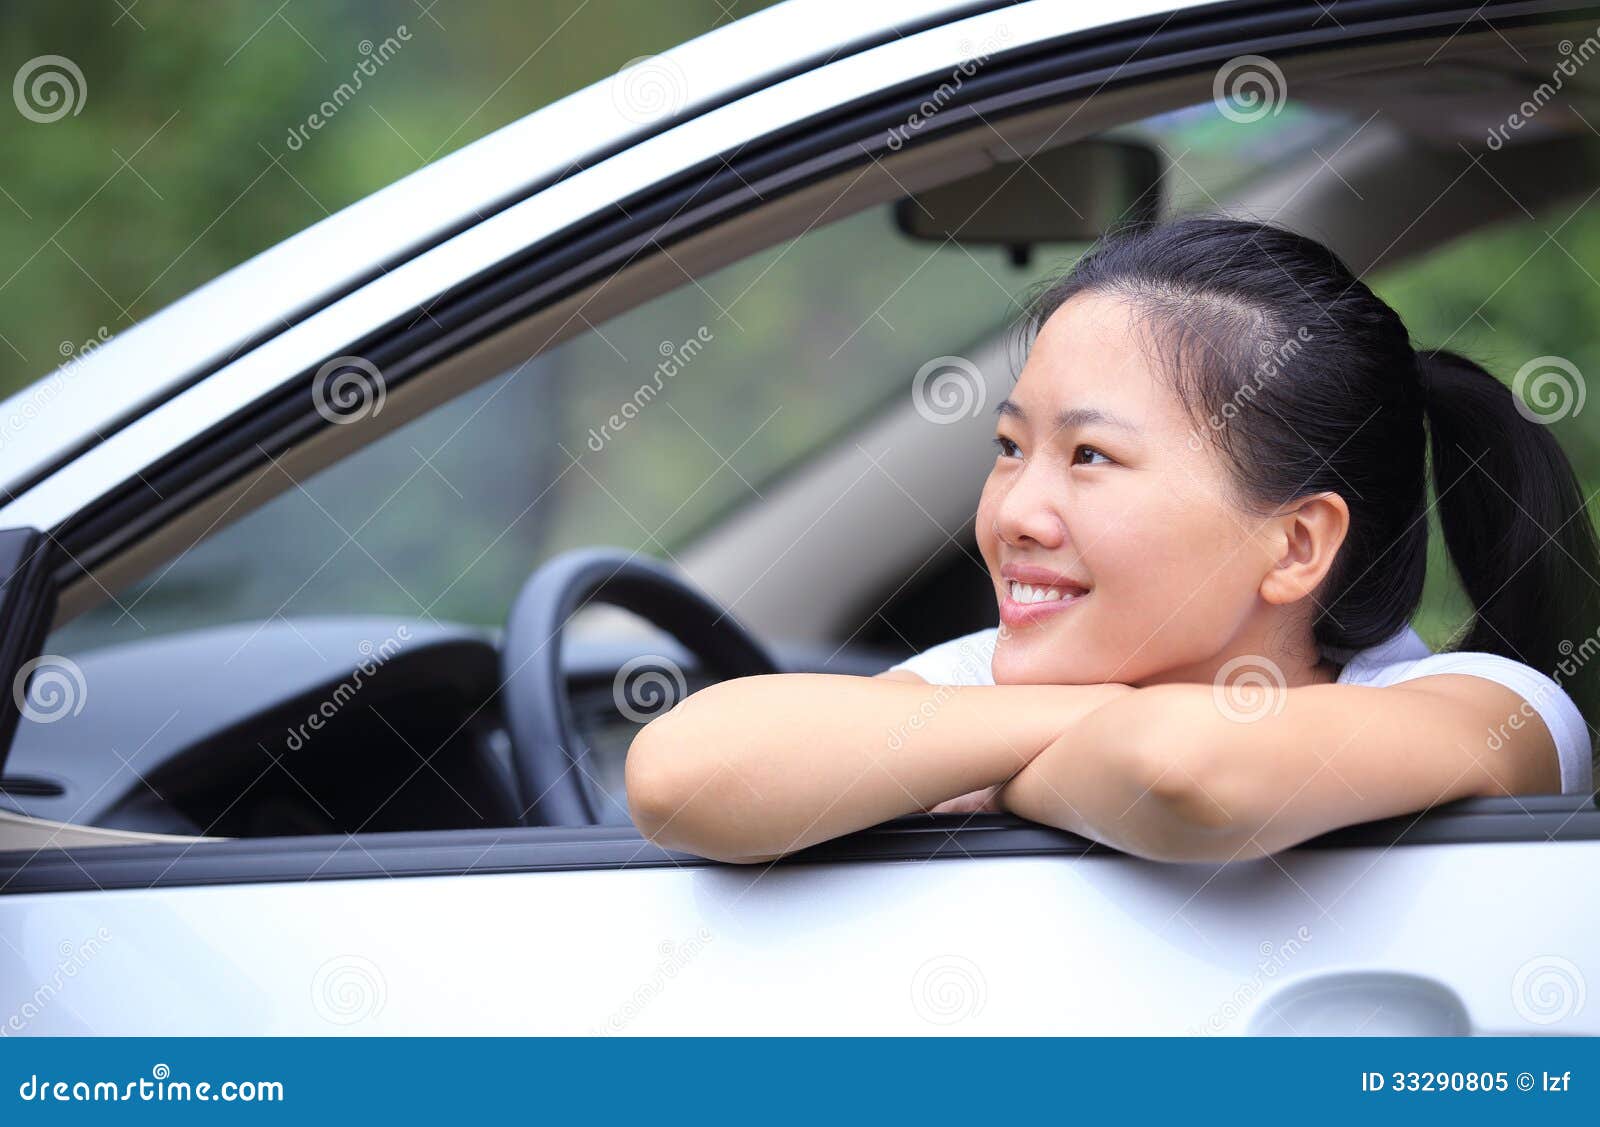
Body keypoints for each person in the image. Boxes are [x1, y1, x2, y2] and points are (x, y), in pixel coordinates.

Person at [625, 217, 1599, 864]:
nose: (1012, 513)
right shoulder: (1024, 679)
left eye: (1089, 456)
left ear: (1296, 544)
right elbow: (683, 771)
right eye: (1008, 447)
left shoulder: (1494, 710)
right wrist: (1050, 736)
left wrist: (953, 761)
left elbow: (1182, 772)